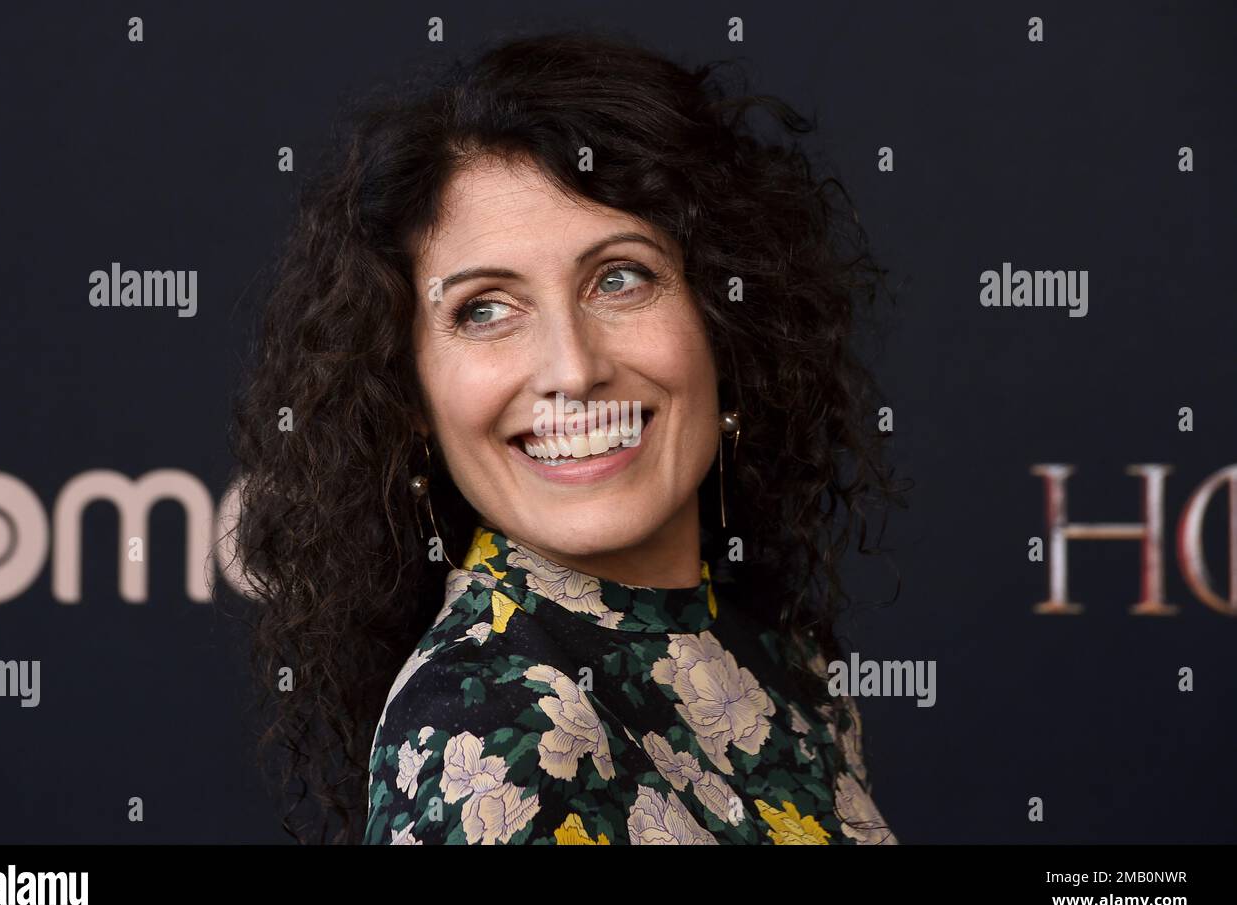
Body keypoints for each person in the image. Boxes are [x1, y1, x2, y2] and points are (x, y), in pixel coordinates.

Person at [230, 29, 908, 845]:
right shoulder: (489, 736)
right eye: (484, 308)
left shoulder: (783, 660)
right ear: (409, 393)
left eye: (619, 278)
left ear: (726, 322)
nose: (572, 369)